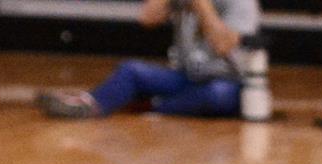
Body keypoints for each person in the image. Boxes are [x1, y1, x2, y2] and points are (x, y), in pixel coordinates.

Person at [38, 0, 260, 120]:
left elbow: (223, 45)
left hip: (228, 81)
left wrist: (202, 6)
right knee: (131, 70)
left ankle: (155, 107)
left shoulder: (242, 2)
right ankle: (89, 105)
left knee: (216, 96)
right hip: (187, 76)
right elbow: (147, 17)